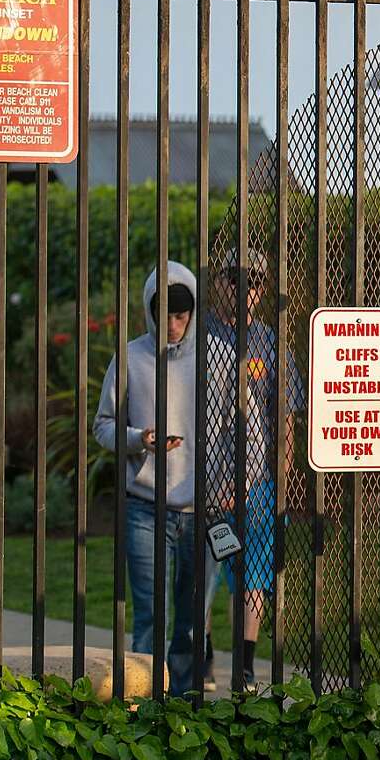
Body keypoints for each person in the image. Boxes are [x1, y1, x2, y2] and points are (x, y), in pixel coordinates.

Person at [93, 261, 215, 696]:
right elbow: (102, 425)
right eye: (165, 314)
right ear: (149, 310)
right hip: (145, 506)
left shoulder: (212, 359)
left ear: (194, 312)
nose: (174, 324)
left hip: (200, 507)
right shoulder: (130, 357)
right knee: (148, 616)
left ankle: (183, 713)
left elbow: (241, 428)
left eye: (183, 315)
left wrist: (229, 487)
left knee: (191, 619)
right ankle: (142, 709)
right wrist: (138, 439)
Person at [205, 247, 305, 693]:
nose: (245, 287)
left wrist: (280, 478)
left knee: (255, 572)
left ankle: (243, 665)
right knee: (206, 567)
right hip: (205, 479)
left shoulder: (271, 344)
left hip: (261, 481)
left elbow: (286, 417)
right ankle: (203, 652)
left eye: (256, 281)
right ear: (217, 282)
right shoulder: (198, 335)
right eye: (234, 278)